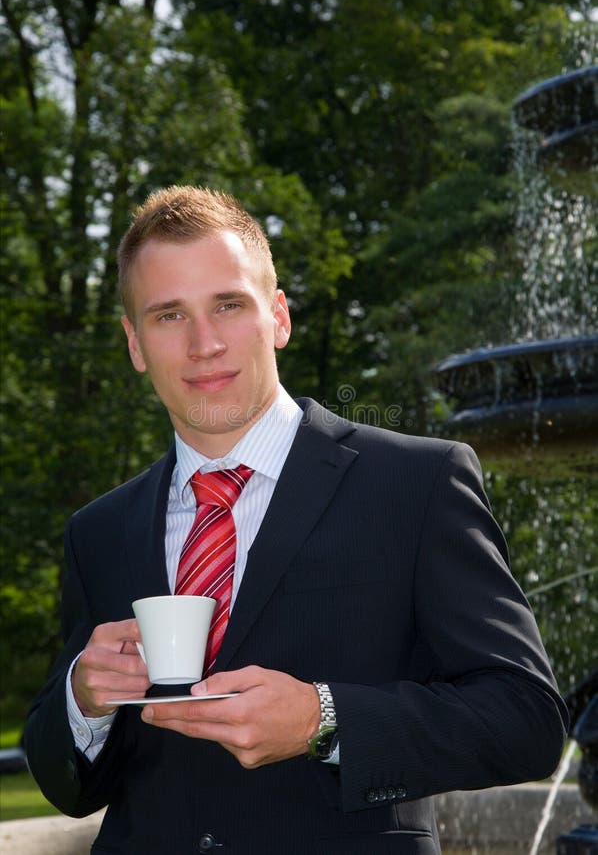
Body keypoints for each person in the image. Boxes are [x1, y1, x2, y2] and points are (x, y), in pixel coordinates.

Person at [24, 186, 568, 855]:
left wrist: (325, 717)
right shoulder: (98, 531)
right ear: (135, 343)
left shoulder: (415, 485)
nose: (203, 343)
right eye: (169, 316)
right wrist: (84, 699)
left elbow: (527, 721)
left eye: (228, 304)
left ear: (277, 316)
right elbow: (65, 783)